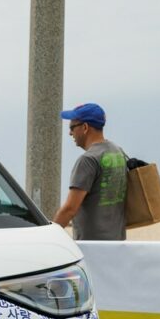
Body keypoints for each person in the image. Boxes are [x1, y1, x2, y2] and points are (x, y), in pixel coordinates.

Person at [53, 102, 128, 241]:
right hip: (118, 243)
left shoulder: (88, 160)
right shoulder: (118, 152)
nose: (70, 133)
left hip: (93, 246)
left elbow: (70, 208)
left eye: (72, 127)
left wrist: (49, 236)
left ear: (85, 127)